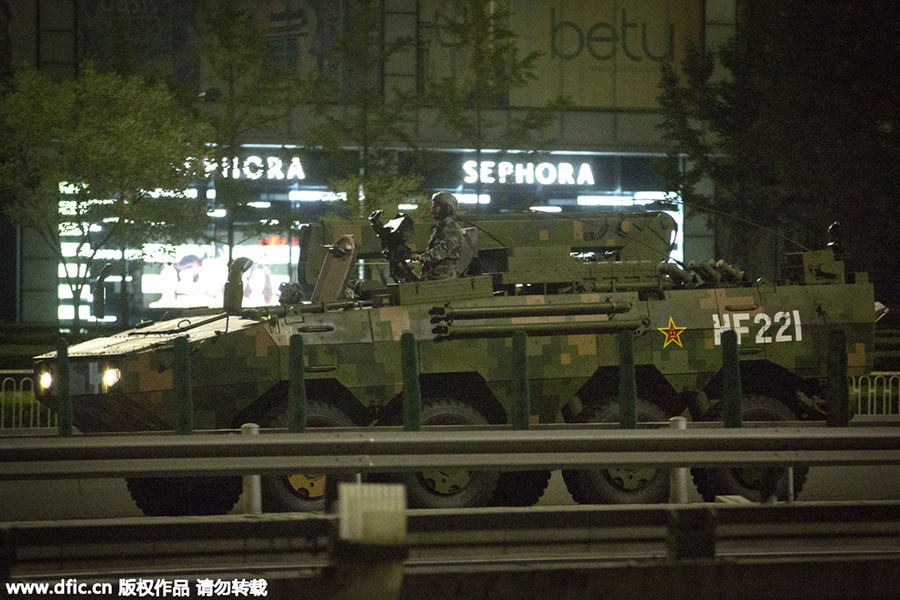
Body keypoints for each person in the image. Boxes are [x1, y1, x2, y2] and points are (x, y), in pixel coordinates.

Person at [410, 192, 463, 280]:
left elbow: (442, 250)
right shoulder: (440, 228)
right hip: (435, 274)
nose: (432, 210)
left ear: (446, 209)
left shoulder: (453, 230)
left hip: (444, 277)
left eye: (435, 206)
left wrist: (420, 257)